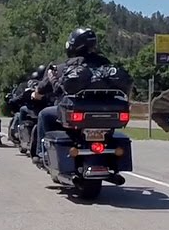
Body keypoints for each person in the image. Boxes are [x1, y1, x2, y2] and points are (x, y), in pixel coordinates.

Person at [31, 27, 114, 160]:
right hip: (105, 112)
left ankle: (43, 153)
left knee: (44, 115)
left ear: (73, 45)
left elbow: (42, 88)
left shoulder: (65, 67)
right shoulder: (105, 64)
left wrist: (36, 94)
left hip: (76, 112)